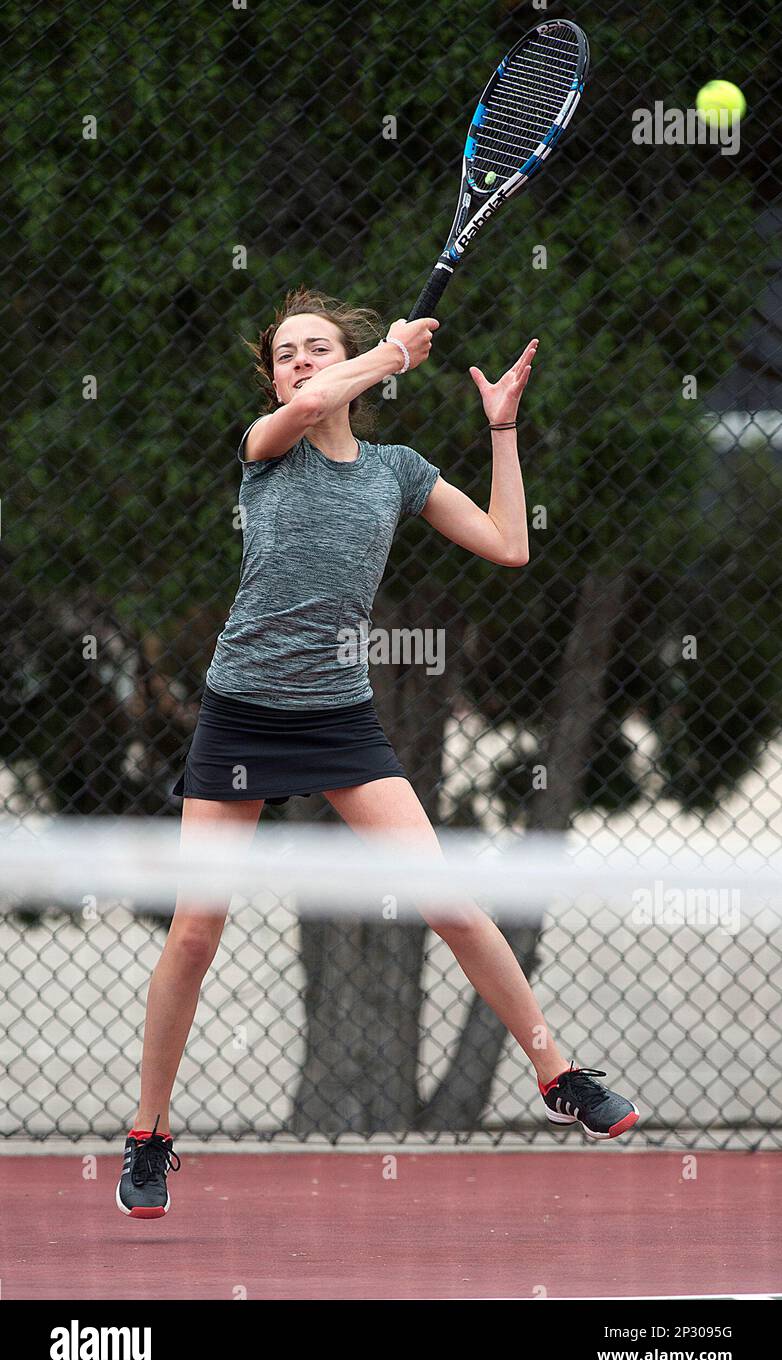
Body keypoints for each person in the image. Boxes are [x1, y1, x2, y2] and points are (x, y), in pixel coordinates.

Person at [116, 287, 638, 1218]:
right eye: (285, 354)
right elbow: (312, 410)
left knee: (449, 901)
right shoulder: (265, 448)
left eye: (318, 348)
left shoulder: (396, 470)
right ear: (273, 377)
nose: (302, 365)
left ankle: (558, 1075)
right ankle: (149, 1132)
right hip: (242, 711)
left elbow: (510, 544)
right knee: (196, 933)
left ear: (346, 355)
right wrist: (391, 356)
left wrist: (502, 431)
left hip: (339, 718)